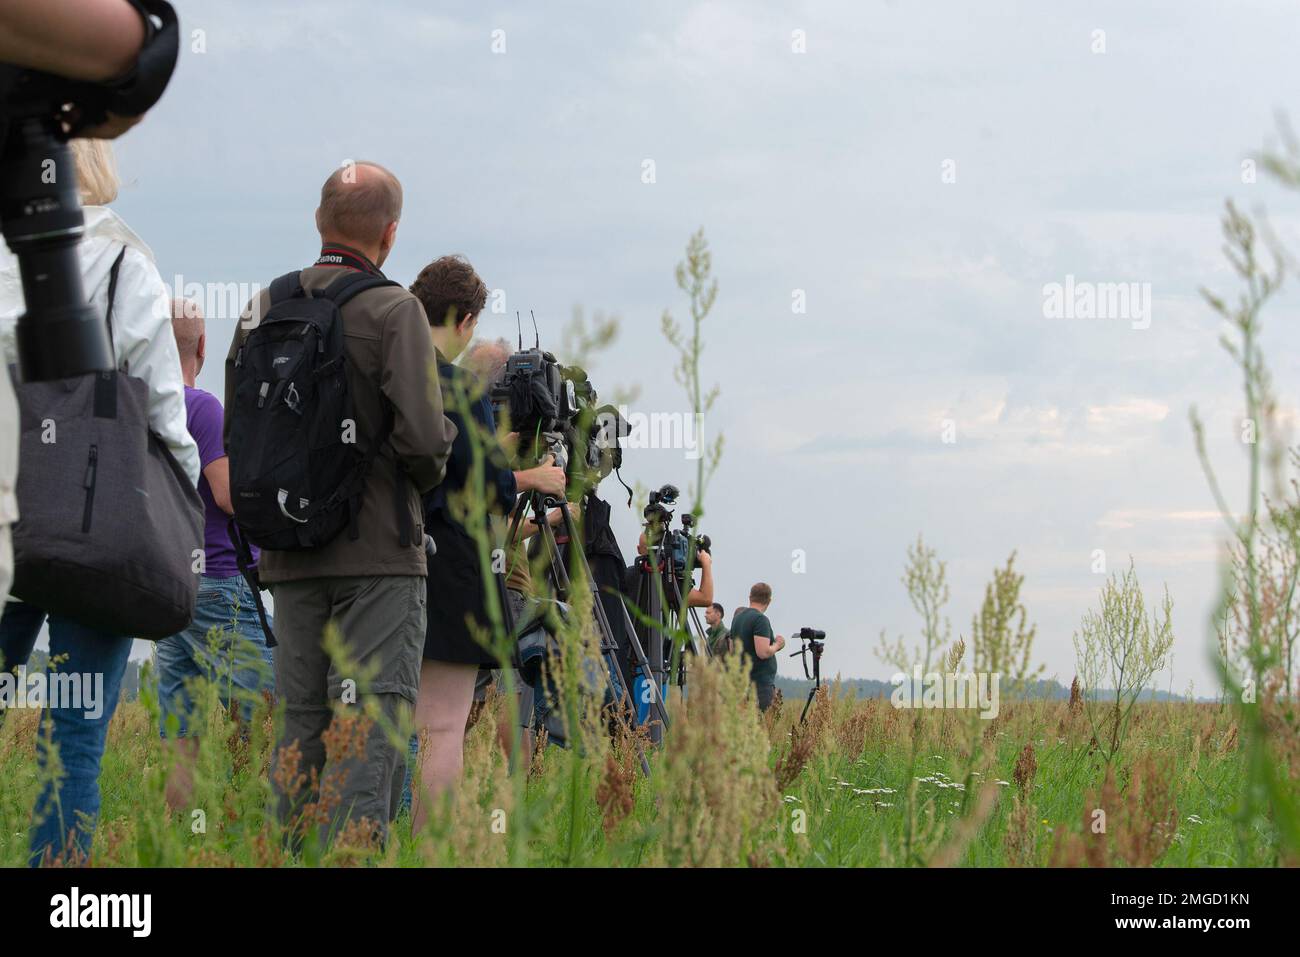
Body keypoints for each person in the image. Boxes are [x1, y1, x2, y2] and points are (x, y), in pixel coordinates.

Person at [224, 162, 455, 846]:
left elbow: (244, 431)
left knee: (300, 726)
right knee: (369, 726)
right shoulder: (393, 310)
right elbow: (421, 443)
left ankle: (290, 855)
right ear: (390, 234)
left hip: (290, 556)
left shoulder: (260, 307)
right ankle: (353, 857)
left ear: (319, 222)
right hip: (378, 555)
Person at [0, 139, 199, 864]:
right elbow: (167, 420)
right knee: (74, 736)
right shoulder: (123, 265)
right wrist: (181, 516)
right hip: (94, 524)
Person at [407, 255, 564, 827]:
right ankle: (431, 845)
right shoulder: (452, 385)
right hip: (448, 567)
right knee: (443, 723)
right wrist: (533, 478)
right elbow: (487, 489)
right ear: (467, 319)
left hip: (375, 559)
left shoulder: (377, 368)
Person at [155, 298, 275, 809]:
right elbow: (226, 496)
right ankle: (244, 821)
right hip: (220, 580)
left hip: (167, 587)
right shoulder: (201, 407)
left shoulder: (147, 408)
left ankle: (175, 834)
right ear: (203, 346)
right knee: (260, 715)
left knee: (181, 735)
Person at [732, 583, 785, 711]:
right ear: (769, 600)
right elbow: (763, 652)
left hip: (744, 680)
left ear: (750, 597)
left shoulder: (738, 618)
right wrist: (778, 644)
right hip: (760, 684)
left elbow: (733, 649)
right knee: (764, 724)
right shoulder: (760, 620)